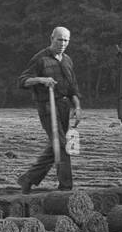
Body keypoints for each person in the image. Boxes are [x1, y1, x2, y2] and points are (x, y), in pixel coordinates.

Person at [17, 26, 82, 191]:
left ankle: (28, 178)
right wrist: (41, 79)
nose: (63, 43)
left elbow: (72, 87)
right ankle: (66, 188)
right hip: (47, 106)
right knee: (62, 145)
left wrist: (77, 106)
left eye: (66, 40)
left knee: (56, 146)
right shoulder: (40, 59)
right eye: (59, 39)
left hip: (64, 106)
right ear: (51, 38)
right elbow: (23, 81)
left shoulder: (67, 60)